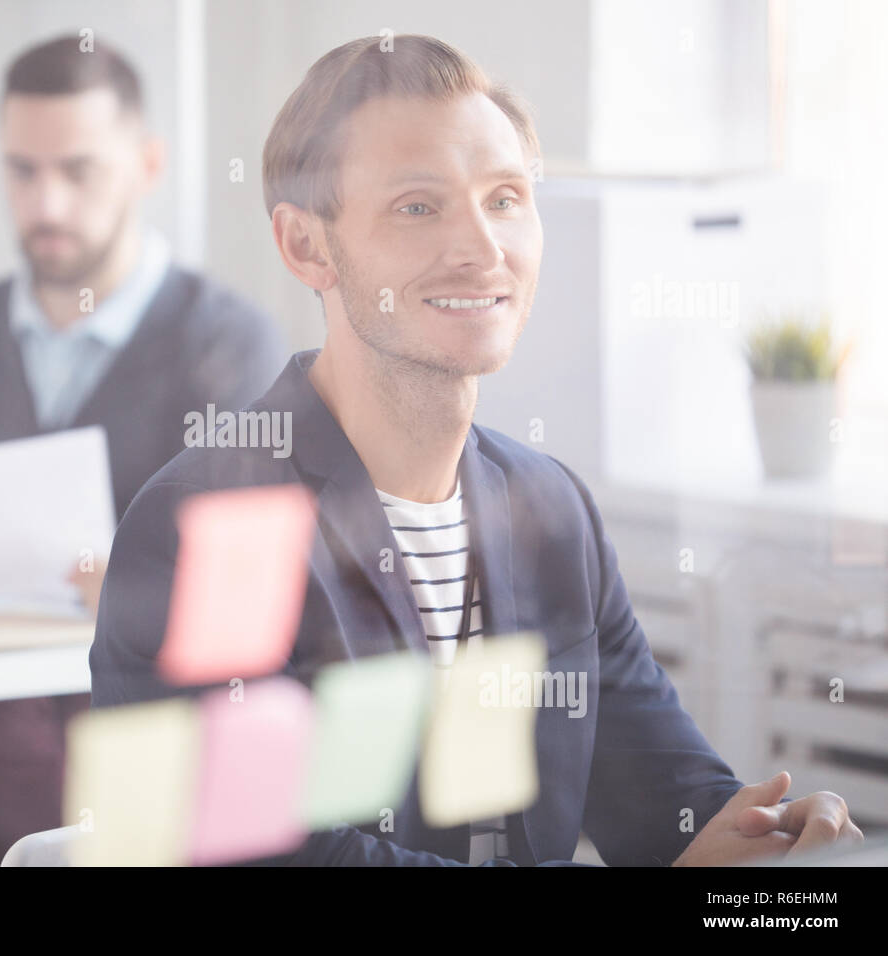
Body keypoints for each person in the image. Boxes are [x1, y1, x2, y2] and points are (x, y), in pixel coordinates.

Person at [89, 34, 862, 865]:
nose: (483, 249)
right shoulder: (201, 529)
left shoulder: (553, 511)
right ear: (307, 247)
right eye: (418, 206)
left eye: (503, 198)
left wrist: (777, 841)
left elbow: (673, 808)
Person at [0, 34, 283, 866]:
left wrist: (142, 581)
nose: (46, 204)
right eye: (22, 170)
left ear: (148, 165)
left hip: (142, 760)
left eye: (78, 171)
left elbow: (266, 585)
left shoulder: (226, 346)